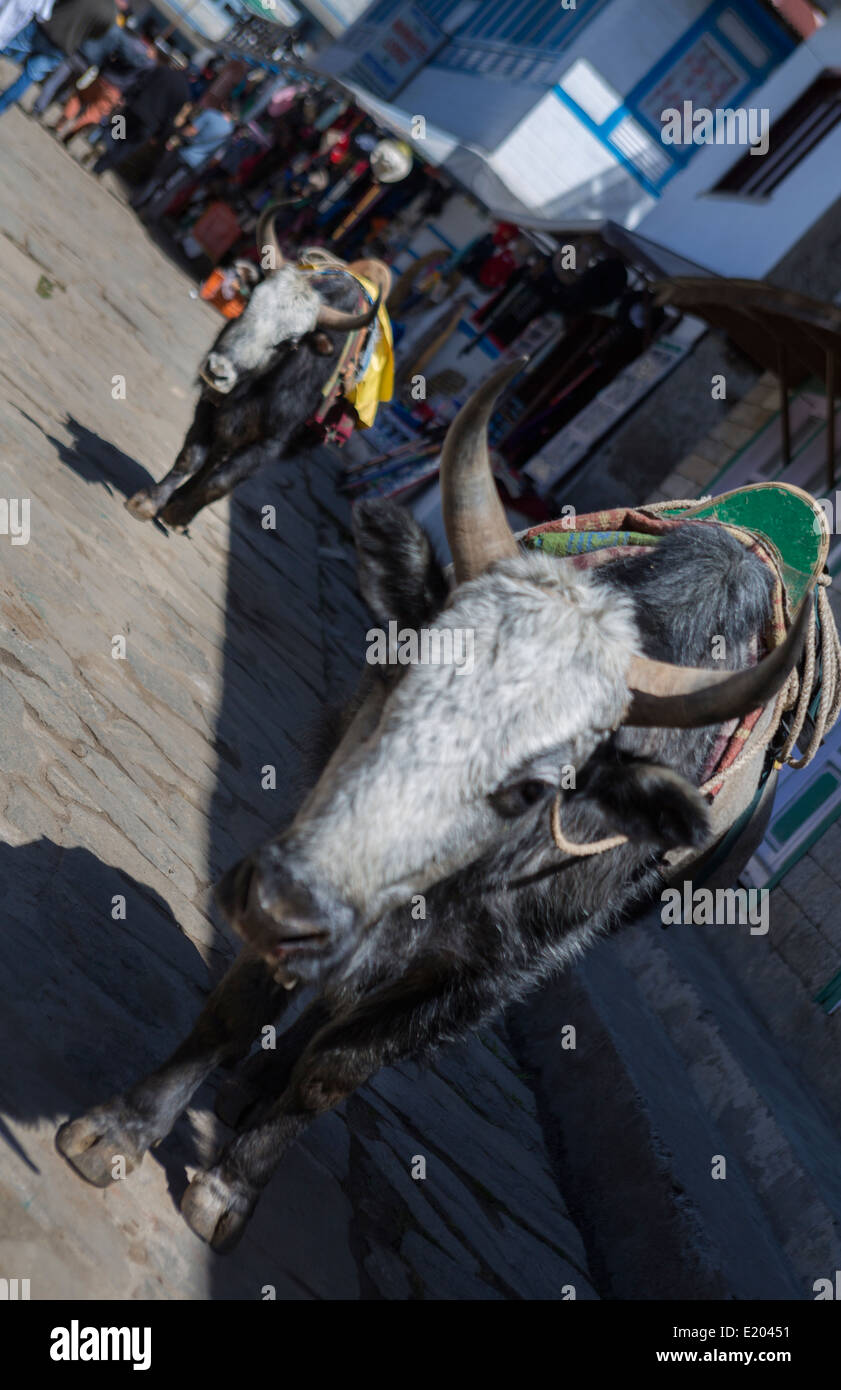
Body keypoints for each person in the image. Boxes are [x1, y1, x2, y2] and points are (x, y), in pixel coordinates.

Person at [0, 0, 113, 114]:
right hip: (62, 46)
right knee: (28, 77)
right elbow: (95, 35)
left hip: (46, 28)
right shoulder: (111, 13)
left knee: (6, 45)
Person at [129, 96, 234, 219]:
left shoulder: (211, 115)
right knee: (171, 189)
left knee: (158, 177)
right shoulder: (229, 133)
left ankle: (138, 201)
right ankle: (151, 214)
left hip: (184, 152)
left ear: (224, 105)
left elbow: (191, 130)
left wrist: (178, 135)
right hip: (196, 164)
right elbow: (217, 157)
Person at [91, 47, 189, 174]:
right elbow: (171, 116)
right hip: (150, 124)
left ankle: (104, 146)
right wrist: (159, 135)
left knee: (116, 132)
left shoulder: (162, 70)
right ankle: (99, 167)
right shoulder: (184, 92)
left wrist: (126, 97)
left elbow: (141, 83)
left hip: (135, 109)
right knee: (126, 148)